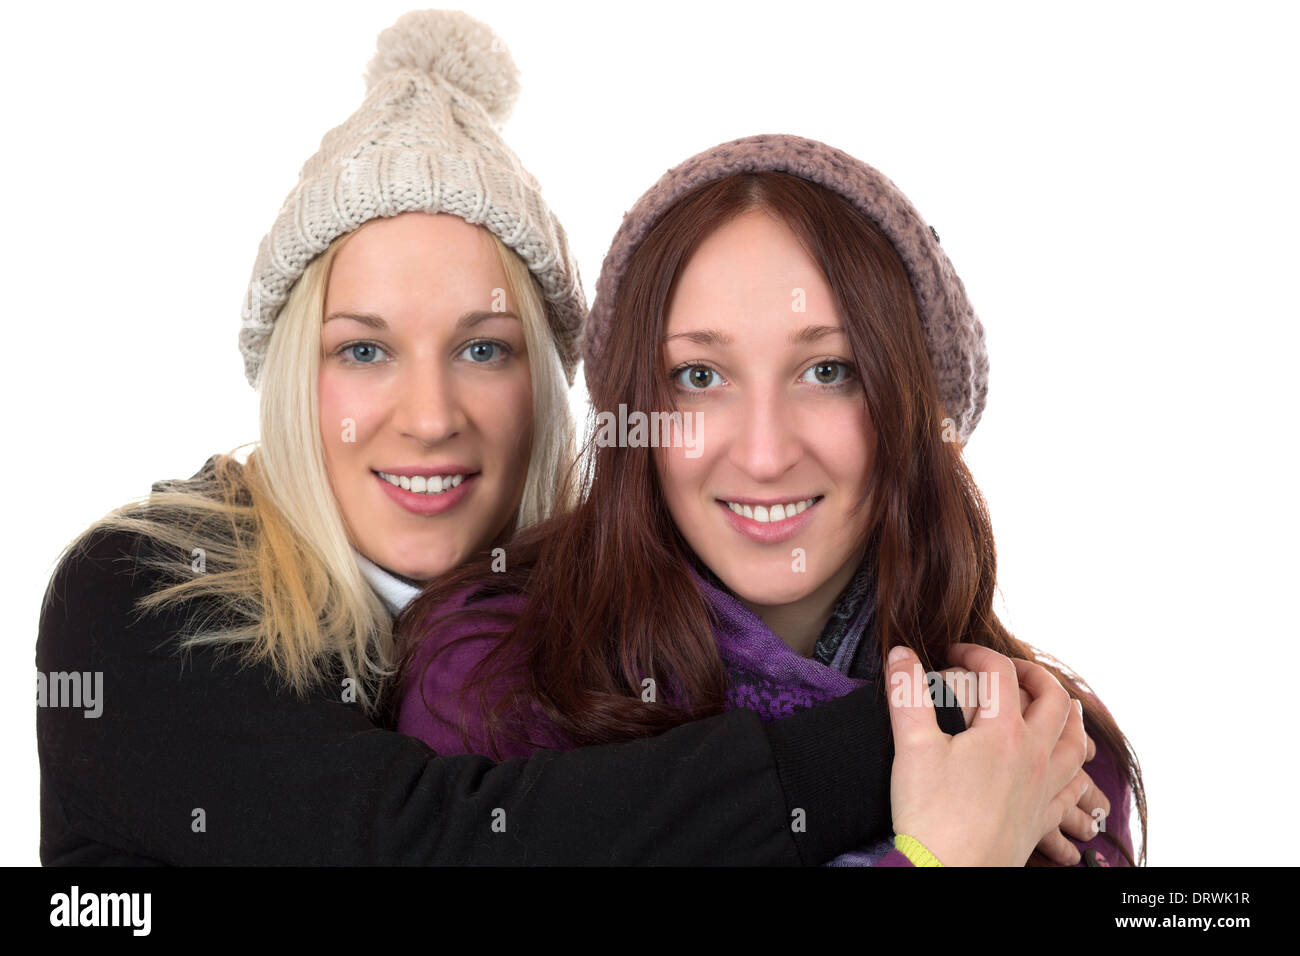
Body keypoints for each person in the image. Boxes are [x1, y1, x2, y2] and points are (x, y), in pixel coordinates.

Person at [36, 12, 947, 866]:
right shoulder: (147, 589)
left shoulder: (592, 625)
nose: (431, 417)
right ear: (287, 378)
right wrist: (924, 731)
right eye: (363, 348)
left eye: (483, 348)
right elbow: (430, 843)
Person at [396, 136, 1145, 866]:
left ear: (914, 408)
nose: (763, 453)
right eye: (699, 376)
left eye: (827, 371)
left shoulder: (1045, 750)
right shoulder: (487, 687)